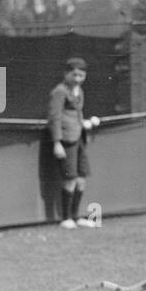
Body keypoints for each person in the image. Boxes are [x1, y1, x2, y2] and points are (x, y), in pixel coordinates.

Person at [47, 56, 100, 229]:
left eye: (81, 76)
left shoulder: (79, 91)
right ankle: (66, 218)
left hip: (79, 138)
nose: (77, 79)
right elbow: (54, 118)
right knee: (70, 179)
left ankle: (76, 217)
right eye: (74, 75)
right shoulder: (59, 91)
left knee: (81, 178)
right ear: (66, 74)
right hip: (66, 140)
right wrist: (57, 142)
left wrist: (84, 123)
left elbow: (76, 114)